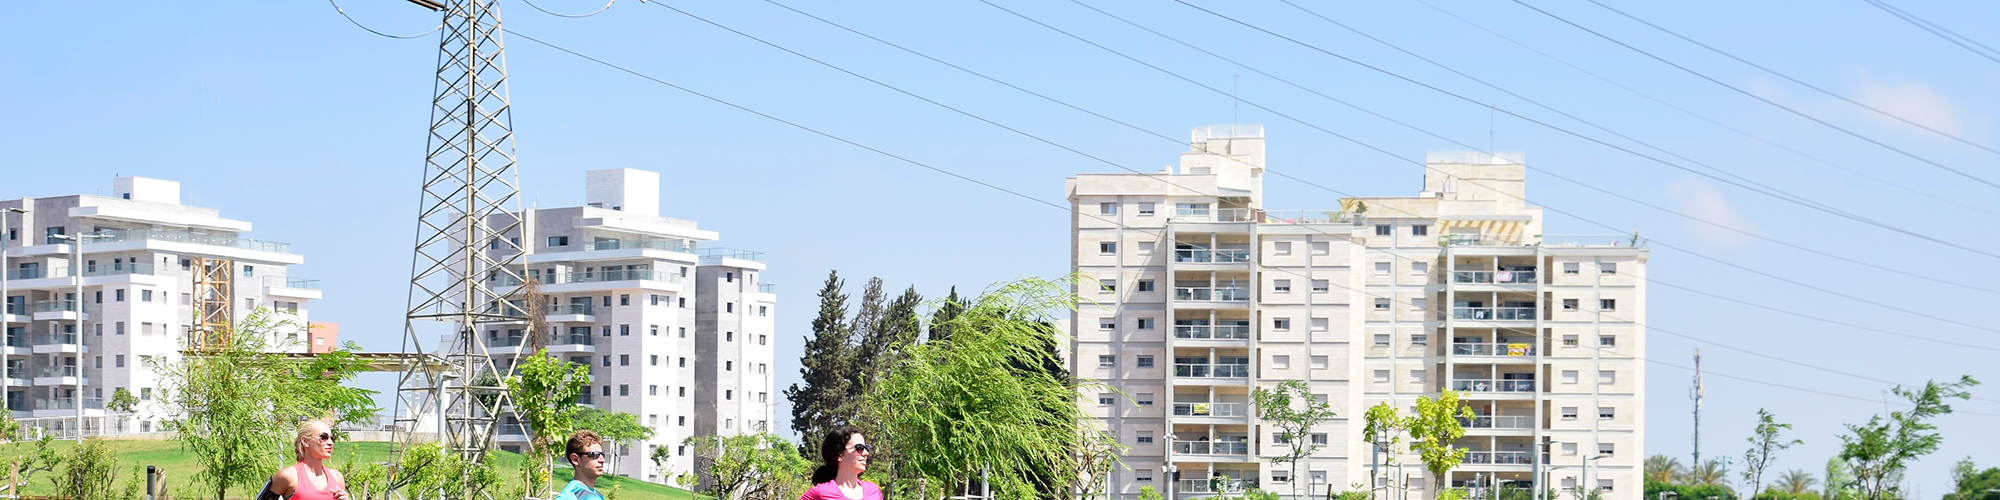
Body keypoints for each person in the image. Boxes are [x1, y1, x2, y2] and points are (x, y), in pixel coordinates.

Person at [268, 419, 348, 500]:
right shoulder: (289, 476)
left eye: (332, 438)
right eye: (324, 437)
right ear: (305, 441)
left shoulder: (337, 478)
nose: (330, 443)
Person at [798, 426, 882, 500]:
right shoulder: (821, 492)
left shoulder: (873, 491)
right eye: (859, 448)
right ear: (839, 455)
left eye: (866, 448)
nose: (866, 453)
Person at [555, 430, 608, 500]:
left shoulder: (598, 495)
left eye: (602, 454)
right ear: (575, 459)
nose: (602, 460)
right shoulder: (570, 496)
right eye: (594, 454)